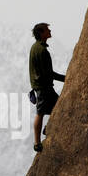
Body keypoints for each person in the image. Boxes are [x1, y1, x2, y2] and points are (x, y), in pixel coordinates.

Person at [29, 22, 64, 152]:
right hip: (43, 87)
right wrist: (65, 78)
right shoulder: (42, 51)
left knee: (58, 106)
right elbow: (48, 73)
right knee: (41, 112)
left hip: (41, 86)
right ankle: (37, 143)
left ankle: (48, 128)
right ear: (41, 33)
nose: (49, 31)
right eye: (47, 30)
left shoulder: (35, 48)